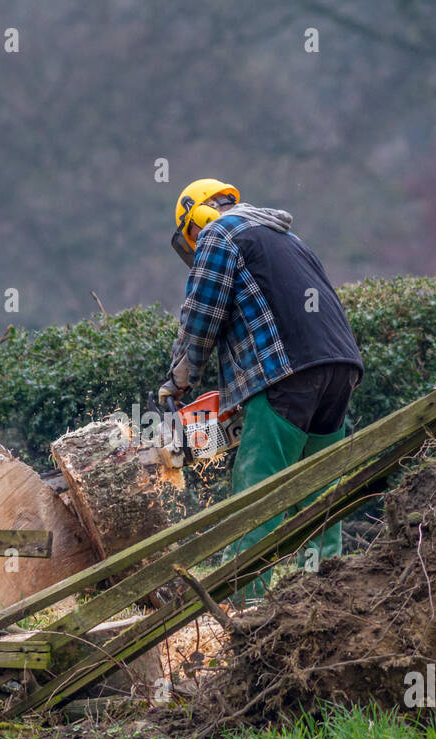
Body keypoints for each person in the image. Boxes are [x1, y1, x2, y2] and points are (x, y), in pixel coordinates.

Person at [161, 178, 364, 601]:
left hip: (286, 374)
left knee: (258, 494)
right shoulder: (286, 237)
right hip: (340, 368)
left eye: (191, 238)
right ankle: (327, 601)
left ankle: (242, 610)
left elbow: (201, 317)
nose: (194, 247)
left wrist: (176, 384)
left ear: (196, 220)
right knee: (320, 493)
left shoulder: (220, 233)